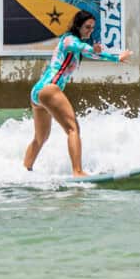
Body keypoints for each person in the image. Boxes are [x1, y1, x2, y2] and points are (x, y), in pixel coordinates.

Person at [23, 10, 131, 177]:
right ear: (78, 26)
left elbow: (93, 54)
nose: (90, 30)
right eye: (87, 27)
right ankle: (78, 172)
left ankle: (25, 170)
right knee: (73, 129)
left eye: (92, 28)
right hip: (49, 88)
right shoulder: (69, 40)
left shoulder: (74, 44)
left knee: (41, 138)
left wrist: (113, 57)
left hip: (38, 93)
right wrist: (101, 52)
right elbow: (83, 47)